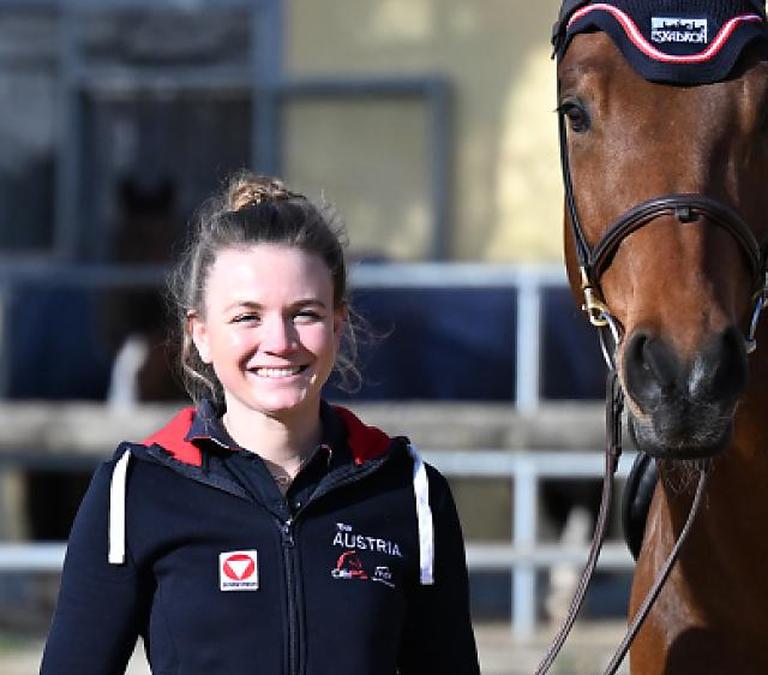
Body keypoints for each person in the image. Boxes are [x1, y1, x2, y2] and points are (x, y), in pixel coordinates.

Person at [40, 173, 480, 674]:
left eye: (305, 314)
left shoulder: (410, 491)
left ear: (338, 326)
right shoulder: (134, 490)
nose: (279, 341)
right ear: (200, 334)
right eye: (247, 317)